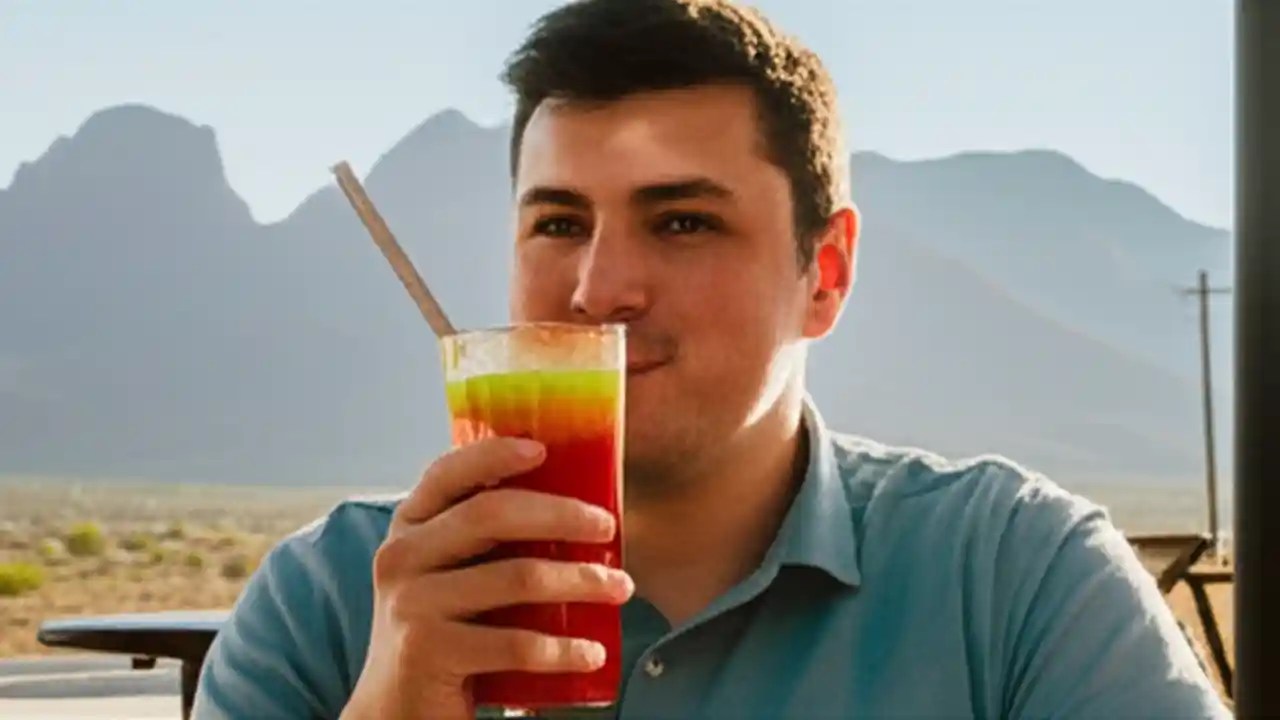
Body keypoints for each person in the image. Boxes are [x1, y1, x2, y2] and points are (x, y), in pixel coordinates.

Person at [193, 0, 1230, 717]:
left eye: (681, 222)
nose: (598, 288)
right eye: (557, 223)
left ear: (823, 271)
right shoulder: (331, 602)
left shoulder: (1014, 578)